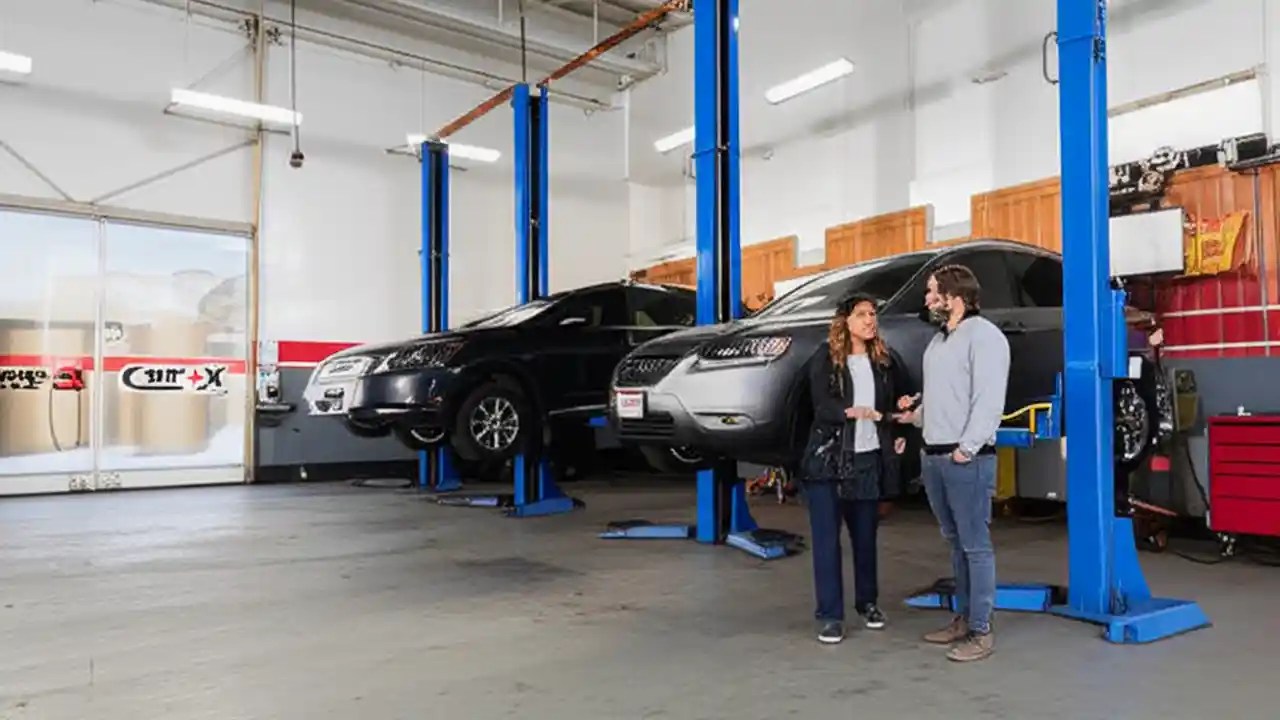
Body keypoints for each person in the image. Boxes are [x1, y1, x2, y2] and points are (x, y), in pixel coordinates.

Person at [896, 264, 1009, 663]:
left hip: (966, 459)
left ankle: (981, 631)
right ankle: (963, 619)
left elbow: (988, 400)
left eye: (932, 292)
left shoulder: (985, 337)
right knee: (956, 543)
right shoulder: (939, 343)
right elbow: (943, 398)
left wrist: (968, 447)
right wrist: (916, 416)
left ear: (953, 297)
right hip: (934, 456)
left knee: (976, 546)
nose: (927, 299)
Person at [801, 292, 910, 645]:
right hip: (829, 460)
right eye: (862, 314)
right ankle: (830, 616)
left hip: (867, 458)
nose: (870, 320)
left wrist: (899, 415)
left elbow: (897, 400)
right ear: (844, 321)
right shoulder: (825, 358)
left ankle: (868, 603)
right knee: (827, 542)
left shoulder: (883, 361)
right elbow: (820, 406)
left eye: (873, 313)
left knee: (866, 539)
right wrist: (848, 412)